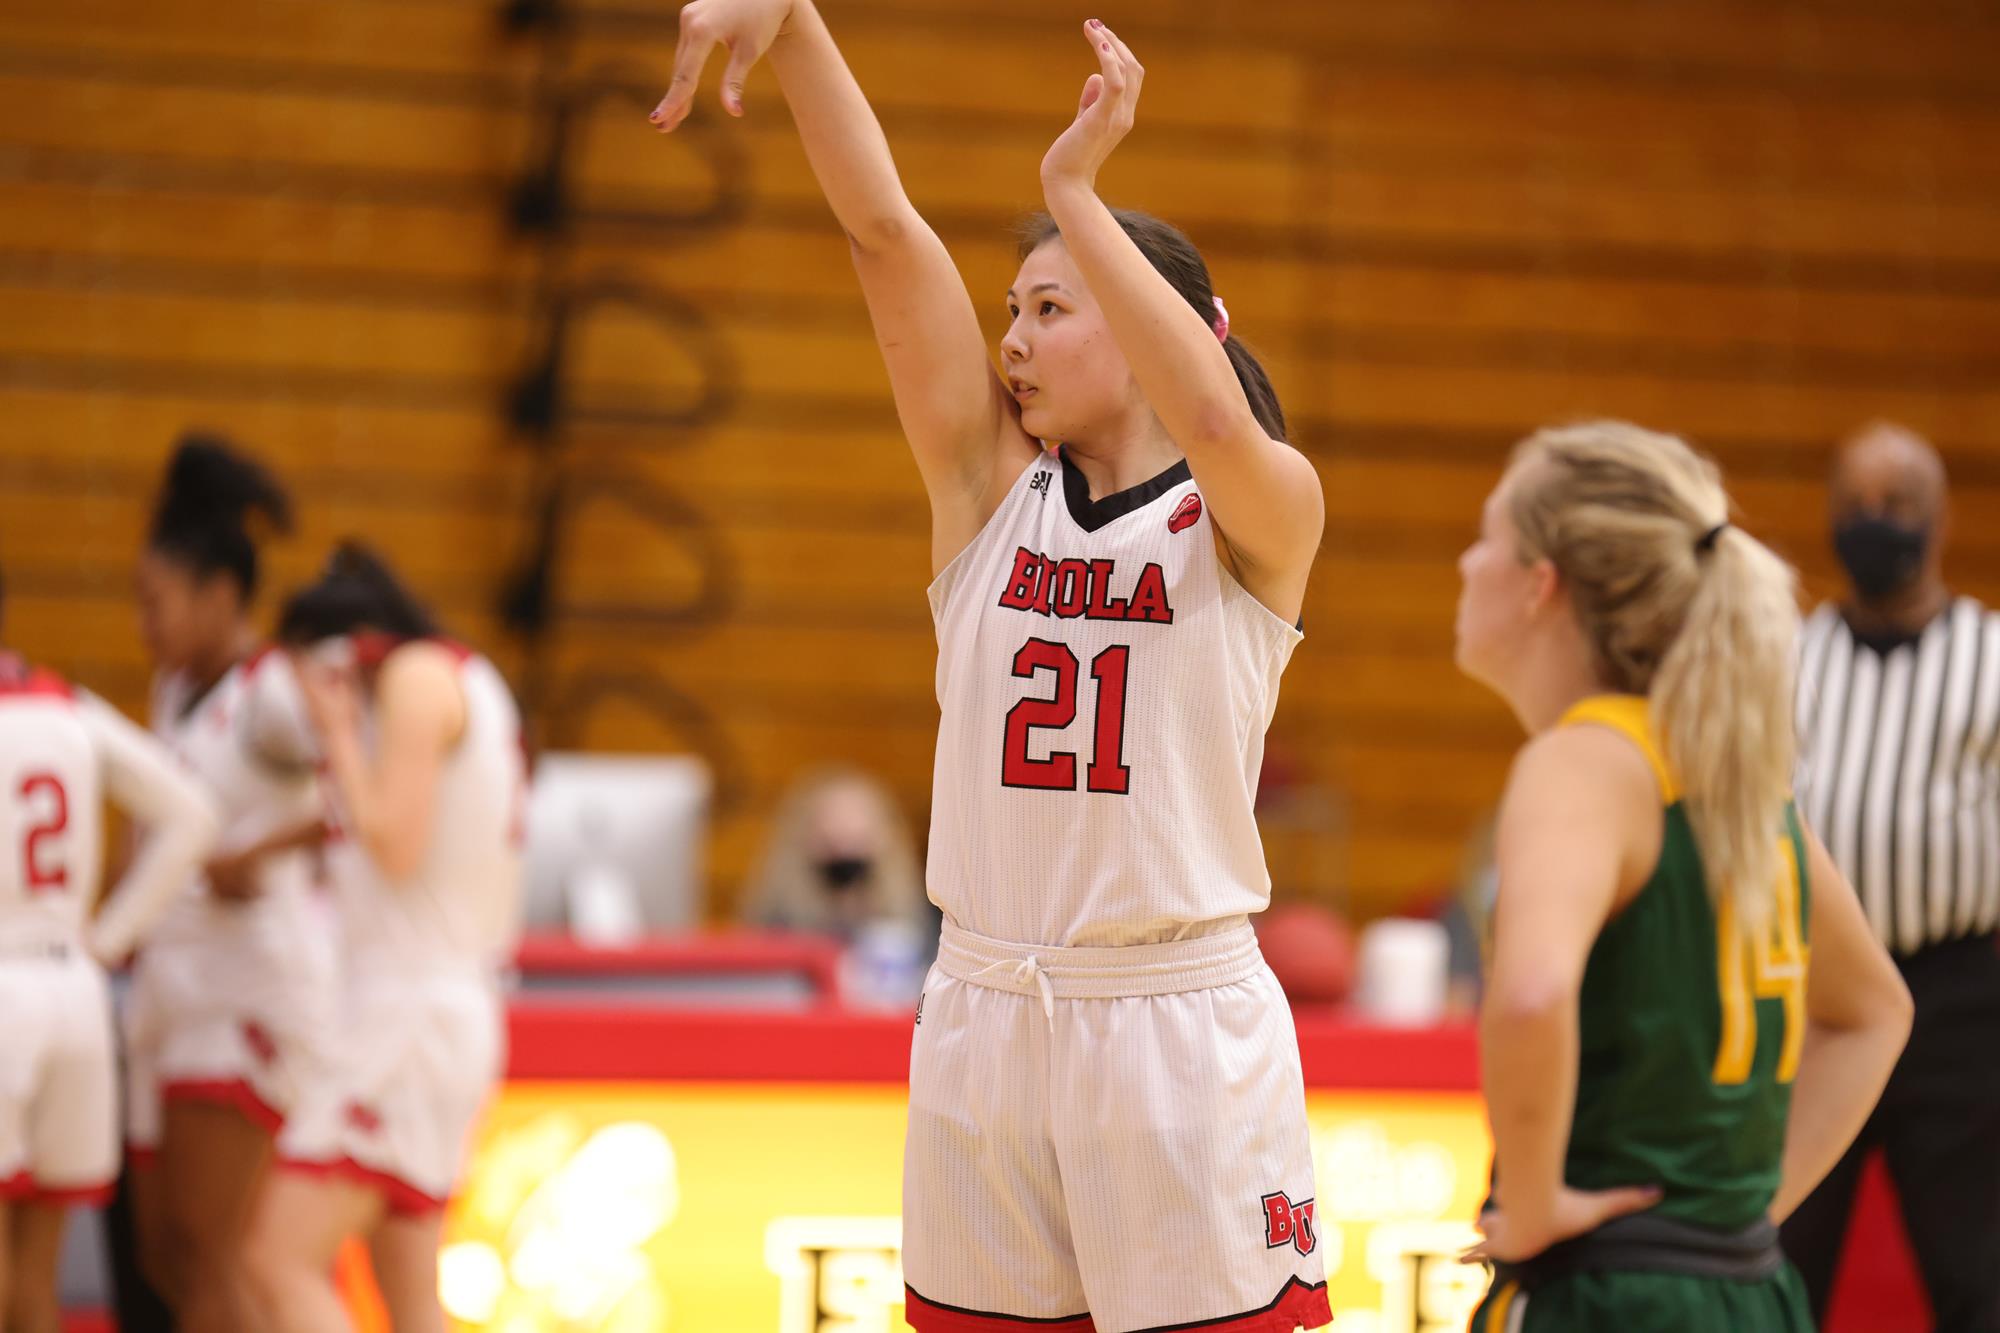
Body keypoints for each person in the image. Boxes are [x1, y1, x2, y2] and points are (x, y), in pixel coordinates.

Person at [655, 9, 1331, 1330]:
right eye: (1008, 311)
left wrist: (1070, 191)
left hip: (1172, 1024)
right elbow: (882, 232)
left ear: (1164, 324)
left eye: (1049, 306)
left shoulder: (1259, 511)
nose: (1010, 341)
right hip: (985, 1010)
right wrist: (794, 21)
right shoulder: (985, 496)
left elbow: (1202, 406)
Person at [1455, 421, 1913, 1330]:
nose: (1467, 564)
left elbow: (1531, 995)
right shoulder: (1738, 780)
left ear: (1541, 585)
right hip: (1747, 1289)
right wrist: (1735, 1211)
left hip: (1611, 1296)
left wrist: (1537, 1202)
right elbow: (1876, 1012)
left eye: (1488, 538)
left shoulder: (1580, 760)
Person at [243, 543, 526, 1333]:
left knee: (276, 1260)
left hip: (407, 1012)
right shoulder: (449, 682)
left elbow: (392, 843)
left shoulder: (415, 676)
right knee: (408, 1298)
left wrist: (335, 732)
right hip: (437, 1009)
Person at [1781, 421, 2000, 1331]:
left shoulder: (1990, 656)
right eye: (1857, 505)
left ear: (1941, 521)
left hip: (1958, 999)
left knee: (1976, 1265)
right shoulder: (1790, 654)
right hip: (1807, 990)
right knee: (1784, 1253)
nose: (1876, 521)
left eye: (1898, 505)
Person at [126, 435, 336, 1331]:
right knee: (165, 1254)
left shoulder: (274, 695)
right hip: (170, 990)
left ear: (220, 594)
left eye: (158, 602)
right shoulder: (170, 692)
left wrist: (263, 851)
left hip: (247, 988)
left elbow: (362, 796)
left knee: (213, 1249)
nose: (146, 623)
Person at [0, 564, 220, 1333]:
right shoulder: (69, 708)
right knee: (36, 1282)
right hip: (75, 998)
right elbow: (192, 813)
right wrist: (106, 942)